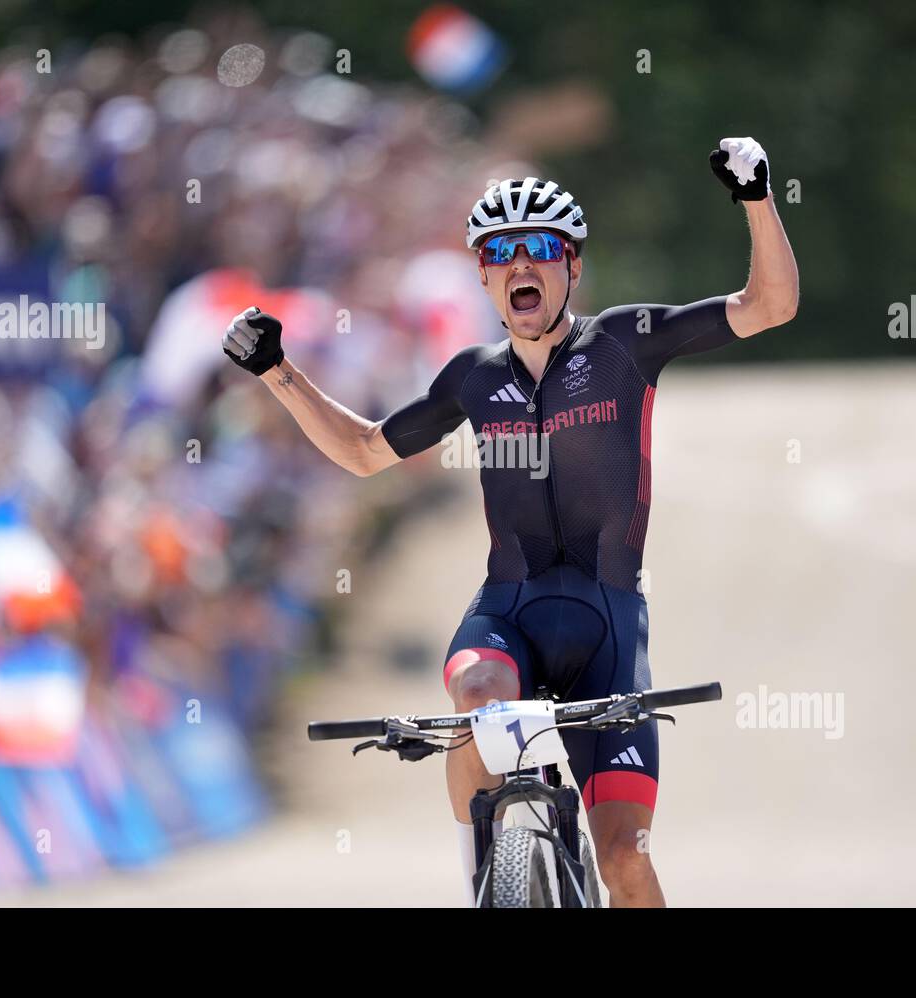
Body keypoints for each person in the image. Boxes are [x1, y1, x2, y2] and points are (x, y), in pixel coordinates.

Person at [223, 137, 799, 907]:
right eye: (501, 252)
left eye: (540, 249)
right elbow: (364, 452)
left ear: (572, 267)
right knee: (481, 694)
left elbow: (772, 305)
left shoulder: (627, 342)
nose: (520, 264)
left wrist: (757, 196)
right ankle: (487, 877)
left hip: (608, 624)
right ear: (486, 276)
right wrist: (277, 373)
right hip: (510, 613)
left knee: (626, 860)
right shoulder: (474, 376)